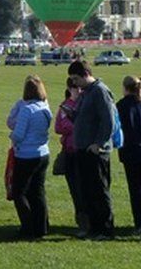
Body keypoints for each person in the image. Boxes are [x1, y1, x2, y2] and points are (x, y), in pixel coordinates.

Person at [68, 60, 116, 240]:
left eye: (76, 78)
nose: (74, 83)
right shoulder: (86, 93)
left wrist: (99, 143)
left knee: (100, 191)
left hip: (96, 151)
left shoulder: (100, 91)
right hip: (83, 148)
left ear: (85, 74)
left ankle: (106, 229)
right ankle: (94, 228)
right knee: (87, 191)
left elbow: (108, 120)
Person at [9, 76, 52, 238]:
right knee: (38, 192)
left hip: (26, 154)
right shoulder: (44, 107)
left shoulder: (27, 110)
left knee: (19, 192)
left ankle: (27, 226)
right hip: (42, 153)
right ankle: (42, 226)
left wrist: (12, 136)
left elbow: (19, 134)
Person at [55, 78, 87, 236]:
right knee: (75, 189)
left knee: (86, 188)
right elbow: (58, 127)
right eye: (75, 88)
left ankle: (89, 221)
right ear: (69, 88)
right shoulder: (65, 105)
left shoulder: (85, 103)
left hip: (84, 151)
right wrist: (77, 126)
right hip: (70, 151)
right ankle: (81, 222)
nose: (79, 91)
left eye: (80, 88)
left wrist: (72, 126)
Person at [116, 75, 141, 235]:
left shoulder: (121, 106)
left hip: (130, 151)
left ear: (125, 88)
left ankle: (139, 223)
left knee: (135, 189)